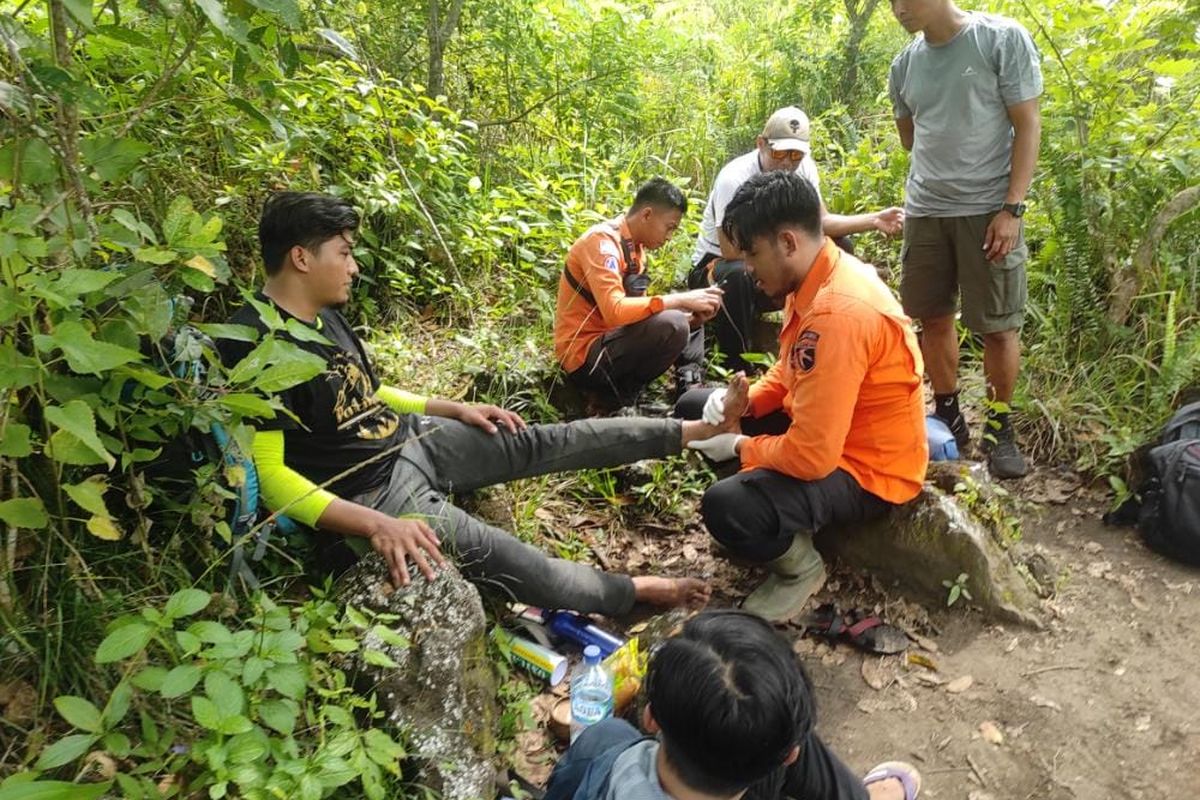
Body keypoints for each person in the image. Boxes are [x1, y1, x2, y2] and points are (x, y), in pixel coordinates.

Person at [217, 191, 741, 616]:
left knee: (542, 441)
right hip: (373, 492)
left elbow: (368, 392)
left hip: (411, 438)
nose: (353, 267)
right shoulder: (253, 343)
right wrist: (376, 525)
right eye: (344, 253)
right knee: (507, 557)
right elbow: (272, 475)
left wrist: (452, 408)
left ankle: (692, 432)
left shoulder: (323, 313)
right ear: (301, 258)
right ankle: (630, 591)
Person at [677, 171, 928, 623]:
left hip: (867, 466)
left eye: (752, 254)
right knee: (696, 409)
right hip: (832, 430)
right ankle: (770, 510)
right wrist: (745, 403)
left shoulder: (838, 313)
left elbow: (813, 455)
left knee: (726, 505)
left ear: (788, 242)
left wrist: (741, 446)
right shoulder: (812, 275)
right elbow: (790, 368)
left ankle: (799, 566)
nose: (747, 268)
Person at [887, 0, 1043, 478]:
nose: (898, 9)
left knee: (997, 325)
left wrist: (1012, 208)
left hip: (989, 209)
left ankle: (999, 427)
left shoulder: (1000, 40)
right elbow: (910, 138)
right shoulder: (904, 65)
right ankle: (949, 413)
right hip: (926, 210)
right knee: (932, 315)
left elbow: (1028, 124)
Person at [543, 609, 921, 800]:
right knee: (771, 721)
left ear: (650, 716)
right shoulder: (786, 752)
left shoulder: (602, 743)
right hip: (753, 770)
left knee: (762, 715)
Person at [688, 106, 904, 373]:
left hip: (771, 257)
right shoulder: (734, 177)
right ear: (761, 144)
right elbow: (731, 249)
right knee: (737, 274)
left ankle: (833, 324)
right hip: (719, 263)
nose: (787, 163)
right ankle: (737, 363)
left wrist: (874, 220)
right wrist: (782, 258)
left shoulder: (803, 170)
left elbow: (820, 223)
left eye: (796, 155)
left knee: (839, 246)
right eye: (780, 153)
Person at [555, 178, 724, 414]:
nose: (669, 237)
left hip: (612, 343)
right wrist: (680, 300)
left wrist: (691, 318)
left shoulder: (636, 251)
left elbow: (639, 314)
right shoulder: (602, 243)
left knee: (685, 317)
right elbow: (615, 311)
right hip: (584, 356)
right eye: (669, 227)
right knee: (675, 318)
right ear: (647, 215)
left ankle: (686, 386)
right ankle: (613, 398)